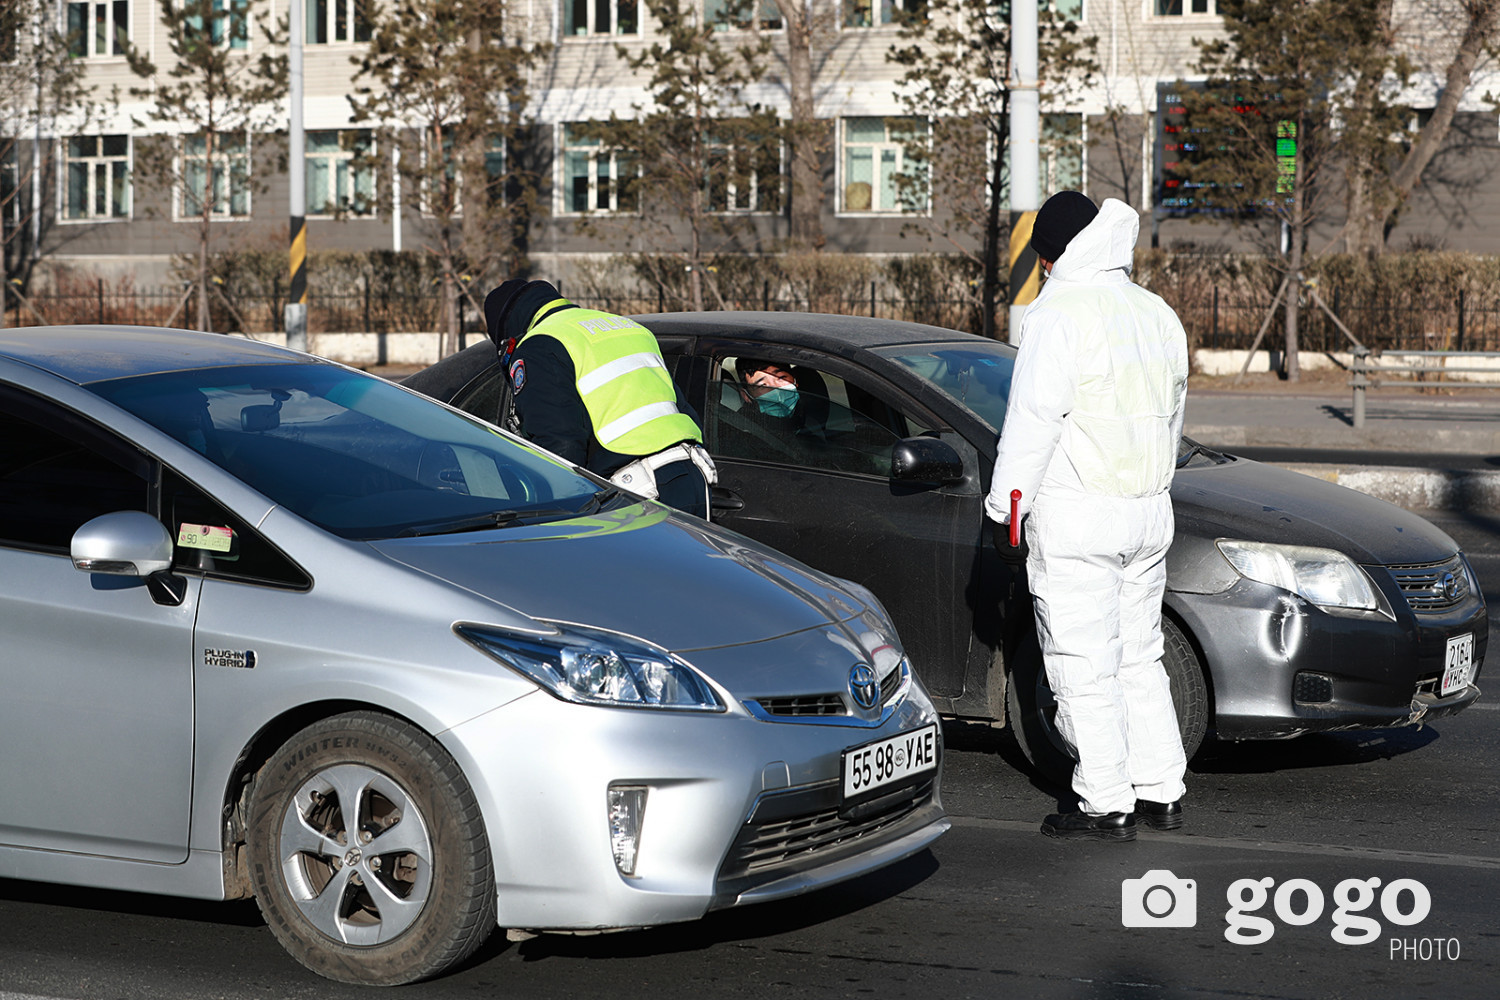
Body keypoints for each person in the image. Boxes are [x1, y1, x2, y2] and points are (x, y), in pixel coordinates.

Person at [985, 191, 1190, 842]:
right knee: (1140, 655)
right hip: (1148, 511)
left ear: (1051, 255)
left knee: (1082, 662)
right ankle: (1162, 789)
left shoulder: (1059, 314)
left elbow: (1032, 427)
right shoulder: (1156, 313)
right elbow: (1174, 417)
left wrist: (1005, 512)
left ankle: (1105, 802)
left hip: (1078, 515)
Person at [483, 279, 716, 518]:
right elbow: (681, 407)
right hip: (694, 476)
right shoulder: (628, 326)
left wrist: (556, 518)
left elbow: (559, 445)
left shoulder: (539, 345)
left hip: (637, 495)